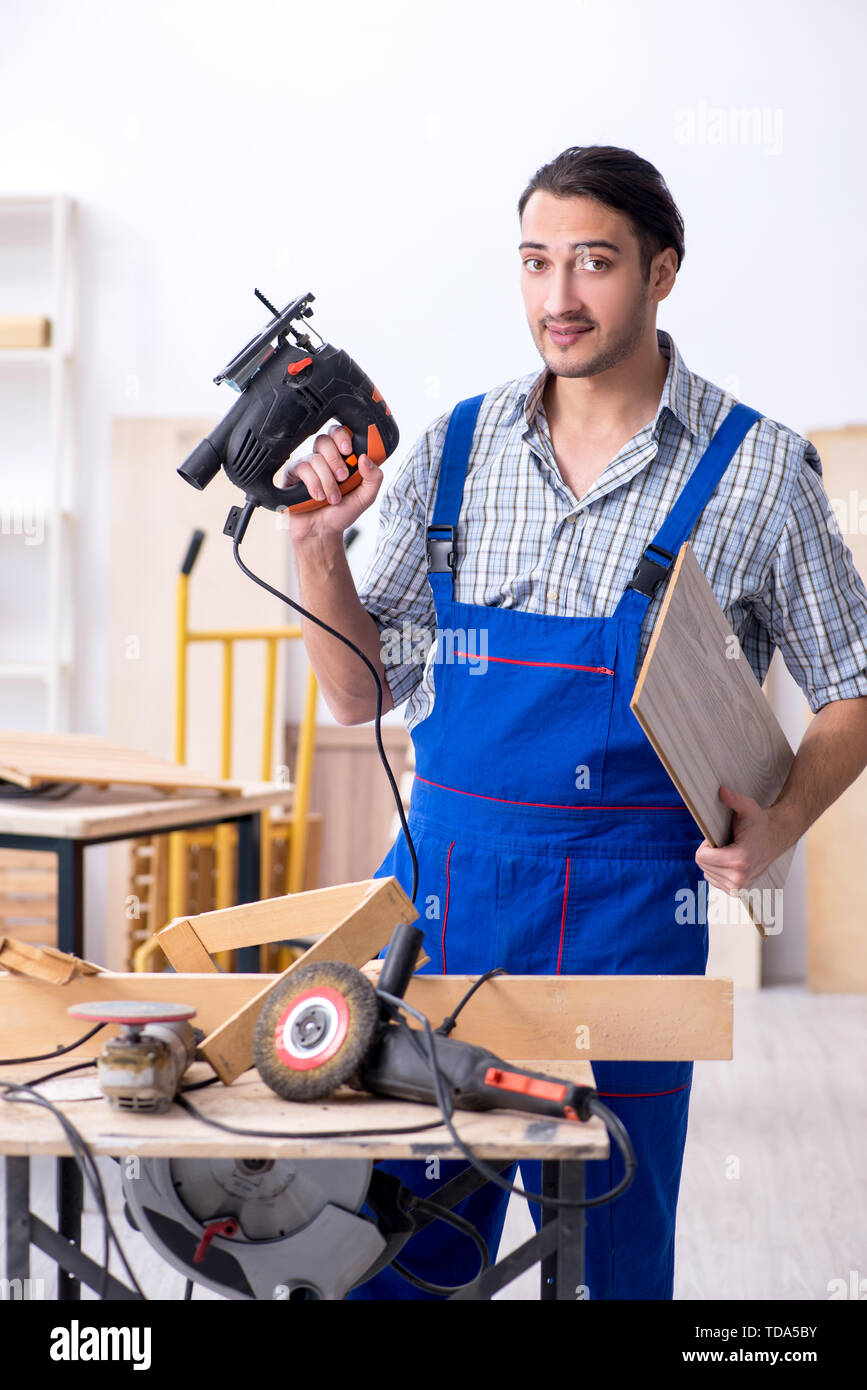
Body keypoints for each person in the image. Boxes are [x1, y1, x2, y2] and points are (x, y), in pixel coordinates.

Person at [283, 145, 867, 1300]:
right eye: (536, 262)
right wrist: (314, 547)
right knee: (402, 1250)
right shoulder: (455, 446)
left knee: (609, 1258)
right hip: (443, 909)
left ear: (663, 272)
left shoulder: (758, 469)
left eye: (593, 263)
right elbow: (357, 694)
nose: (559, 297)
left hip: (629, 921)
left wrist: (780, 826)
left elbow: (853, 683)